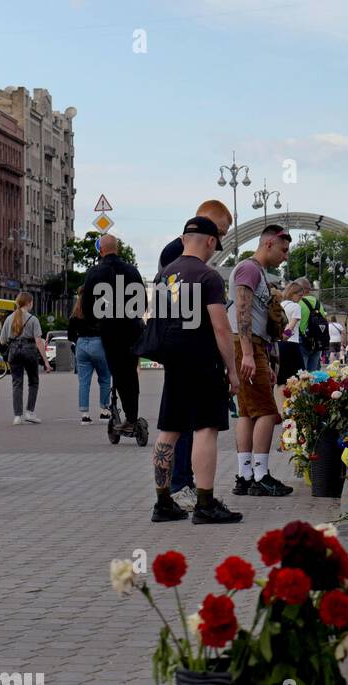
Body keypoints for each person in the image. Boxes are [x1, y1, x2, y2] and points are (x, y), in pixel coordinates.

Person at [151, 216, 242, 525]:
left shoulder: (164, 275)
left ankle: (163, 502)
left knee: (170, 429)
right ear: (211, 241)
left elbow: (160, 322)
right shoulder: (208, 276)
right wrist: (232, 370)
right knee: (205, 427)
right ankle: (205, 503)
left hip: (174, 362)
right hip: (203, 361)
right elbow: (220, 327)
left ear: (183, 238)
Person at [227, 224, 294, 499]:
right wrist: (250, 355)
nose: (286, 256)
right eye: (284, 249)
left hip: (252, 346)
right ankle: (261, 476)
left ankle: (245, 475)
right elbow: (242, 310)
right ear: (269, 244)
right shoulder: (249, 269)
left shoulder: (258, 272)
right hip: (248, 344)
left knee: (247, 412)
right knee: (267, 412)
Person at [80, 234, 146, 434]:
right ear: (117, 249)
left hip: (111, 331)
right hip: (133, 330)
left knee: (118, 373)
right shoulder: (132, 271)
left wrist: (98, 324)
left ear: (101, 251)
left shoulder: (94, 273)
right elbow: (141, 302)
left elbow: (86, 306)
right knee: (131, 372)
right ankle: (132, 415)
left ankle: (129, 418)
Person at [0, 292, 51, 425]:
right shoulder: (33, 319)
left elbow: (2, 340)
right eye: (32, 302)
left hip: (14, 351)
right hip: (29, 351)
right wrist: (46, 362)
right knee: (33, 381)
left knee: (17, 383)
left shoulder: (9, 318)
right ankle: (30, 412)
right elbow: (39, 341)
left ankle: (17, 416)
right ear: (29, 303)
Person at [68, 279, 112, 426]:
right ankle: (104, 411)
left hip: (81, 345)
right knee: (105, 378)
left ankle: (85, 415)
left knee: (84, 382)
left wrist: (79, 341)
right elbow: (107, 329)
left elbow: (70, 335)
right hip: (98, 343)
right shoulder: (100, 308)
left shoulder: (75, 312)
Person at [278, 280, 306, 384]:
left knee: (281, 380)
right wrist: (286, 336)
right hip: (291, 344)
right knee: (300, 377)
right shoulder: (295, 306)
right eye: (300, 295)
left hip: (278, 344)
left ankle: (280, 400)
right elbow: (291, 326)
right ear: (292, 294)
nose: (301, 298)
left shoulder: (280, 305)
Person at [297, 283, 326, 372]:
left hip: (303, 340)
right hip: (317, 341)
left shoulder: (299, 302)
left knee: (302, 374)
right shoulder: (318, 303)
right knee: (314, 373)